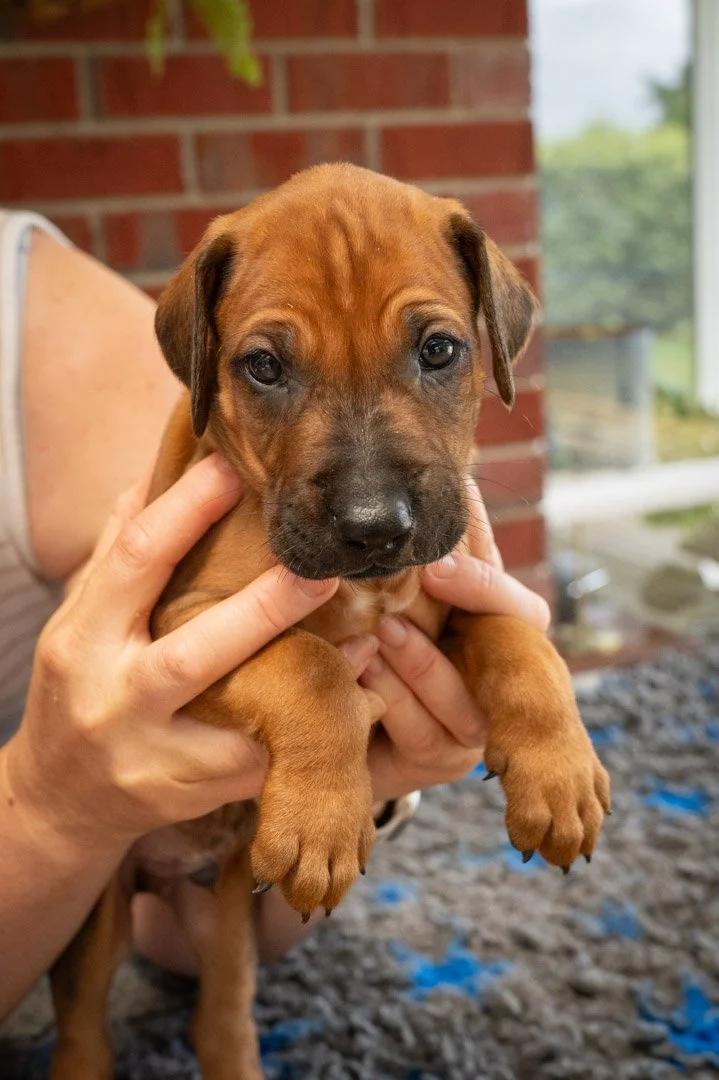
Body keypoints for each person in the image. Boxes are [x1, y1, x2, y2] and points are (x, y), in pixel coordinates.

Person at [0, 211, 551, 1020]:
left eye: (435, 352)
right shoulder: (211, 463)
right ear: (206, 368)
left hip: (222, 874)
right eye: (267, 367)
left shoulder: (43, 303)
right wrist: (53, 814)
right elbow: (175, 646)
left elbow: (254, 892)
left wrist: (395, 774)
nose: (370, 504)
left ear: (492, 347)